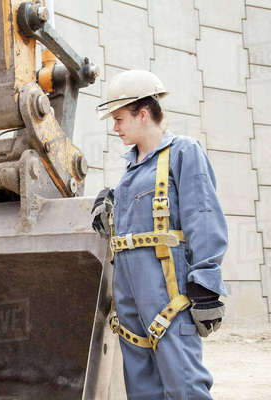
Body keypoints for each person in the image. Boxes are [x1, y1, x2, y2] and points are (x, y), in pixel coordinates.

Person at [91, 70, 227, 399]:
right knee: (141, 389)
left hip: (168, 296)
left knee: (184, 385)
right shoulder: (128, 174)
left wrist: (206, 283)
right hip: (130, 301)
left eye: (120, 118)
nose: (115, 127)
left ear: (142, 113)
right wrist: (109, 200)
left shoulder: (183, 152)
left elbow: (203, 216)